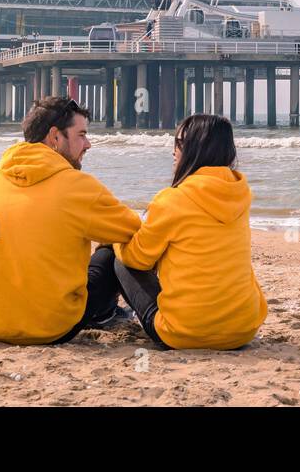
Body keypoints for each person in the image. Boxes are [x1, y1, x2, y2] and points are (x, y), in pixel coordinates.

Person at [0, 96, 141, 345]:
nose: (88, 144)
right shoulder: (77, 187)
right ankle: (106, 313)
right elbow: (134, 229)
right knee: (111, 249)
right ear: (55, 137)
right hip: (51, 327)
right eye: (81, 135)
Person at [114, 113, 267, 350]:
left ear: (195, 150)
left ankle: (101, 314)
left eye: (179, 143)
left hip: (184, 333)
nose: (174, 151)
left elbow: (137, 259)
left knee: (120, 260)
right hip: (243, 330)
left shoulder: (172, 200)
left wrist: (116, 240)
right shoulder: (240, 195)